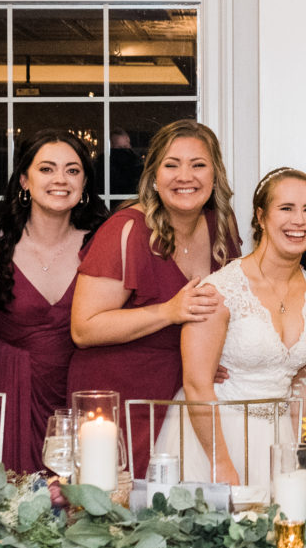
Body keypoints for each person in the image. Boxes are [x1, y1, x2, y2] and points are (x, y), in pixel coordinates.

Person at [70, 120, 239, 478]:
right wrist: (168, 311)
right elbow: (84, 328)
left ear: (215, 173)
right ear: (154, 175)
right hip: (122, 396)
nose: (185, 176)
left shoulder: (221, 227)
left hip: (187, 393)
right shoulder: (126, 229)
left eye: (198, 164)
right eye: (171, 164)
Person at [174, 168, 306, 491]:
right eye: (286, 208)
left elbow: (303, 382)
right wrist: (221, 464)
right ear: (261, 217)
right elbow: (196, 385)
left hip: (278, 442)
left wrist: (296, 459)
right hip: (216, 438)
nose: (299, 221)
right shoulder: (219, 291)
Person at [0, 131, 103, 474]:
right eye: (47, 169)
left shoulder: (102, 242)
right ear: (24, 180)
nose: (60, 180)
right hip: (5, 394)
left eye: (73, 171)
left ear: (85, 183)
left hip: (80, 394)